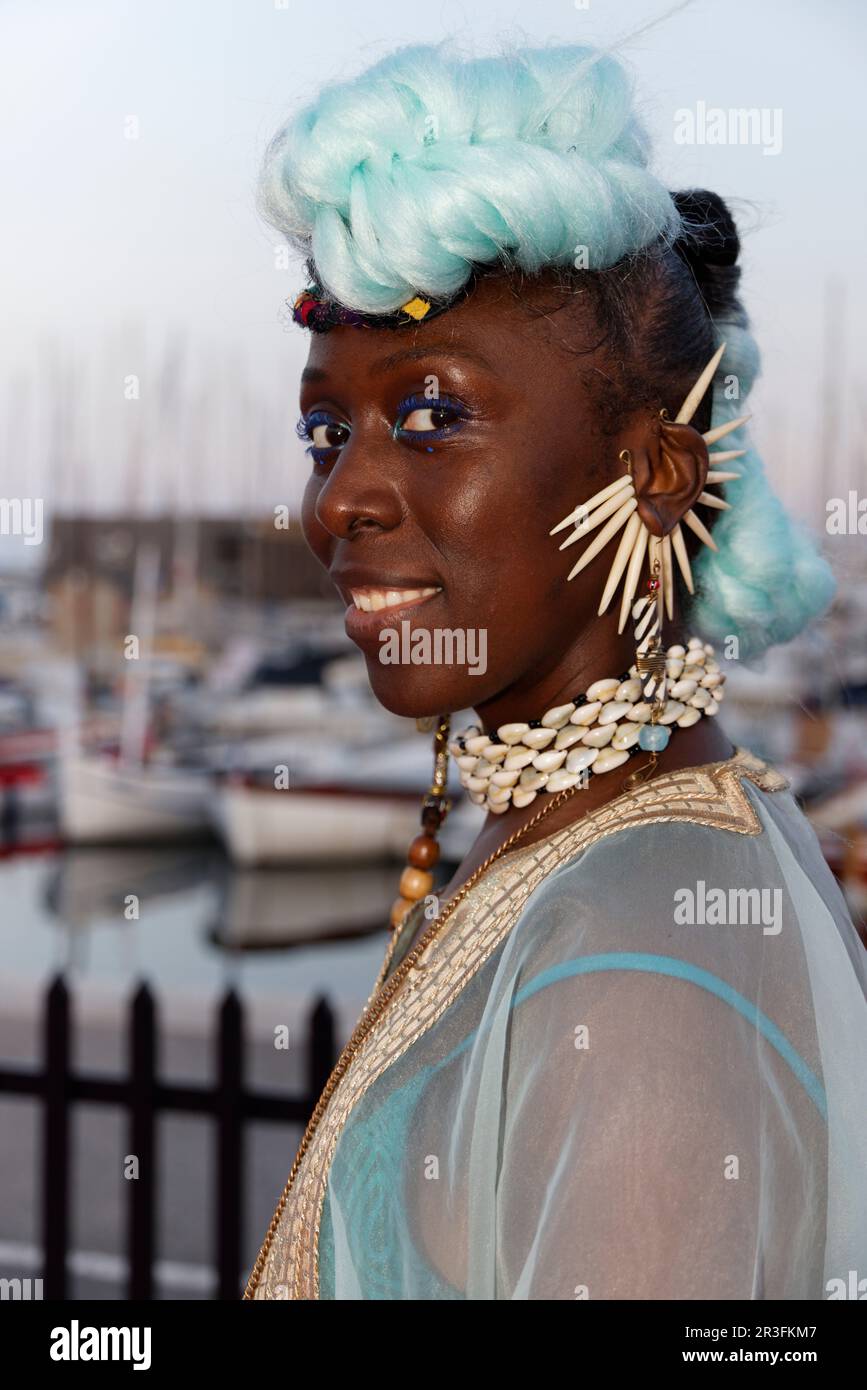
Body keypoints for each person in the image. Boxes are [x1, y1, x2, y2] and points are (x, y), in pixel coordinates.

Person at [244, 41, 867, 1300]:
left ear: (654, 473)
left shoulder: (644, 983)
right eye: (328, 431)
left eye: (430, 415)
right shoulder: (588, 844)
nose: (341, 497)